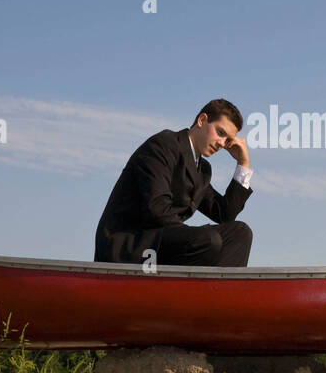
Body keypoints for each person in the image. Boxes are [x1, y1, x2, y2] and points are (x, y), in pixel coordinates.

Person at [94, 99, 254, 267]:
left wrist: (243, 164)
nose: (222, 143)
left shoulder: (202, 169)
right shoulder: (163, 145)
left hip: (161, 241)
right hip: (130, 245)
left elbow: (224, 214)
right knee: (208, 240)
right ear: (202, 120)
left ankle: (219, 291)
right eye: (220, 132)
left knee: (240, 233)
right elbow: (156, 209)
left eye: (227, 140)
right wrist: (195, 237)